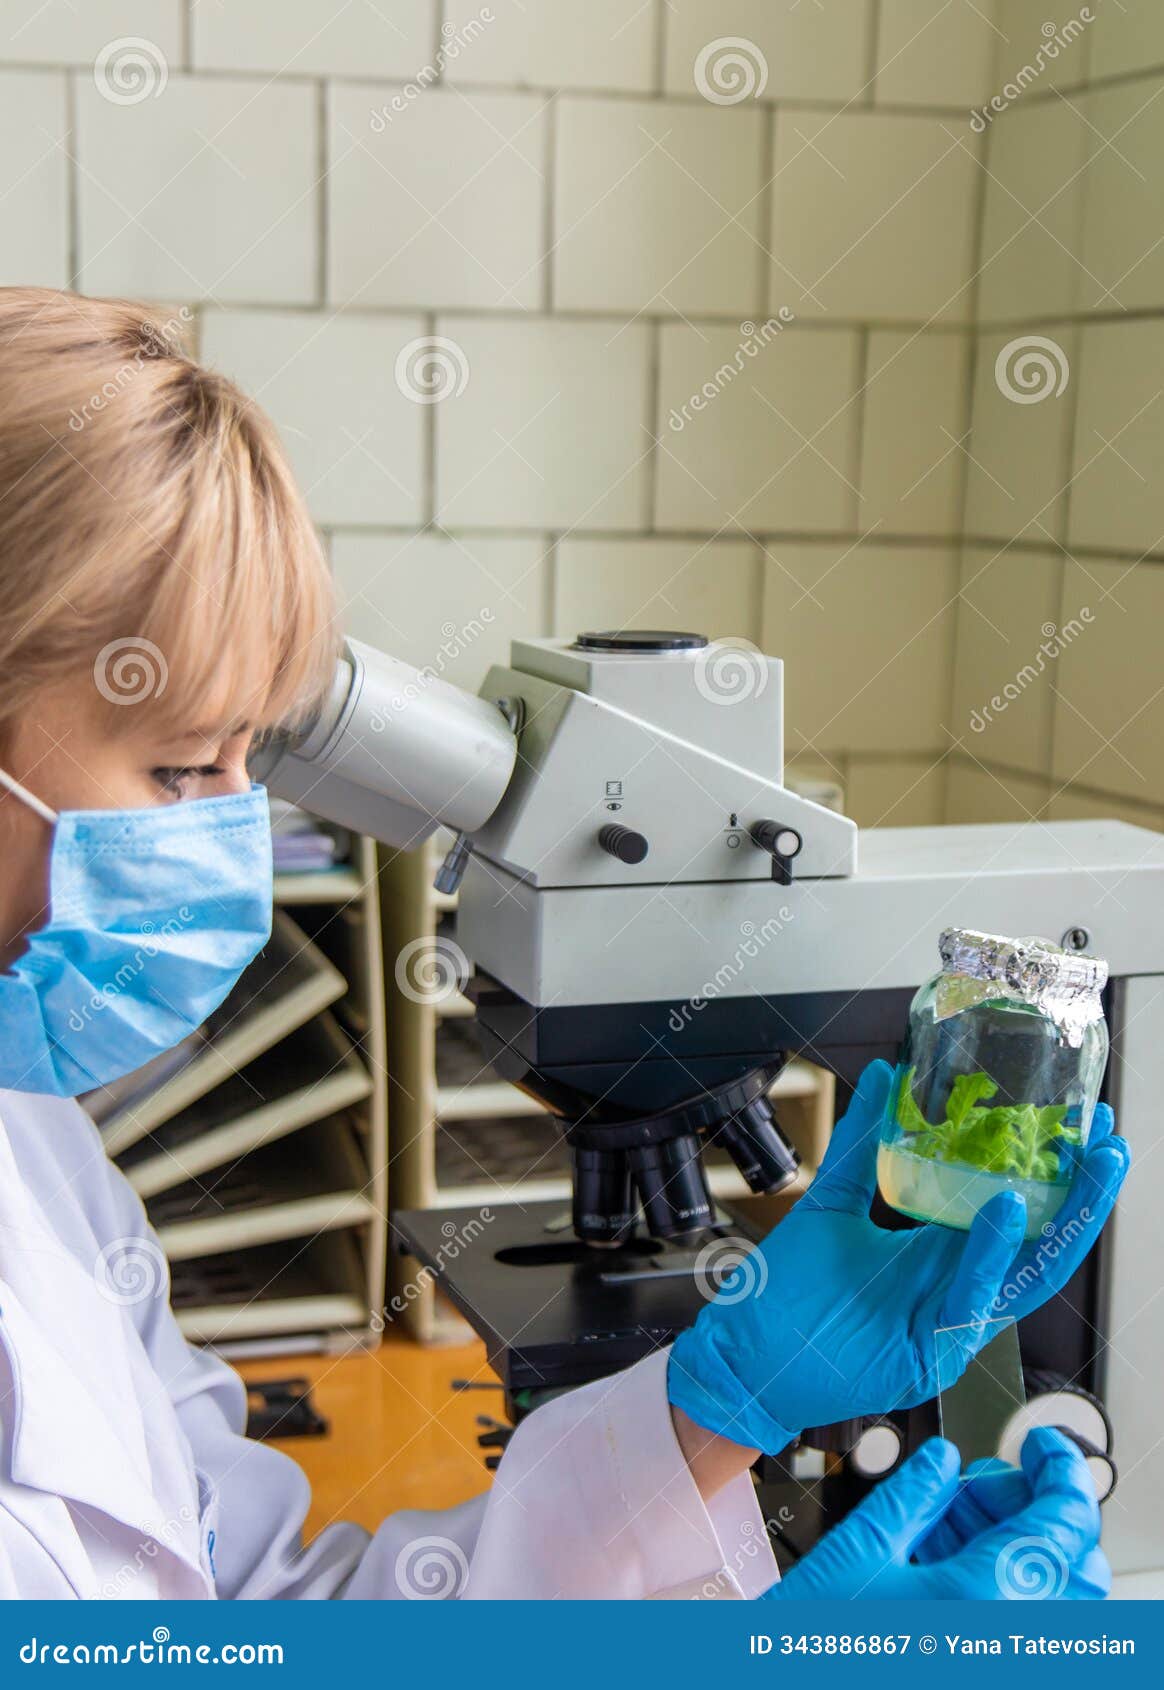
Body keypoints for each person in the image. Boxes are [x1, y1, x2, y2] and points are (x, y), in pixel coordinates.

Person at [0, 288, 1128, 1601]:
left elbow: (258, 1618)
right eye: (182, 764)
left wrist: (720, 1401)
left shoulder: (37, 1146)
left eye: (251, 762)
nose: (229, 839)